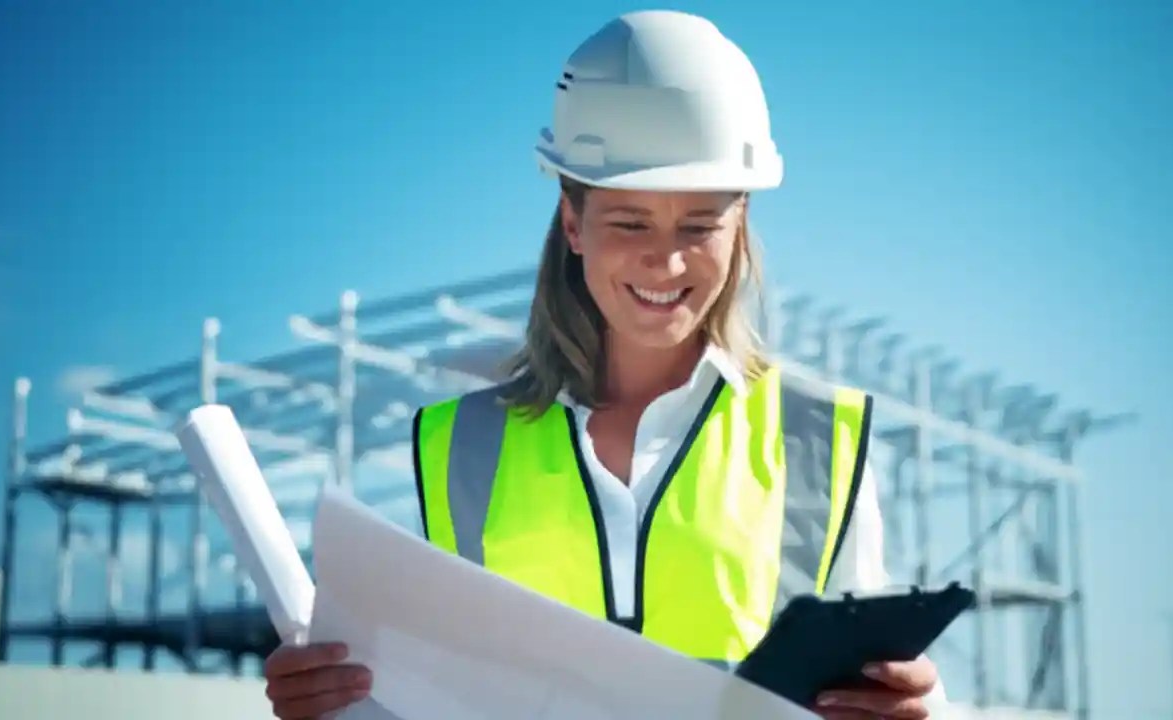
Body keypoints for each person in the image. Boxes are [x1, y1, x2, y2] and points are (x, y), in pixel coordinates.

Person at [262, 9, 944, 720]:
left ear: (741, 218)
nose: (667, 260)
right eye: (630, 222)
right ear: (571, 221)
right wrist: (335, 702)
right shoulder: (459, 446)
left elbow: (867, 690)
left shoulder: (819, 439)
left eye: (699, 225)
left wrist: (916, 707)